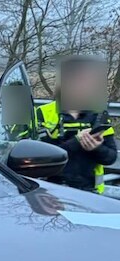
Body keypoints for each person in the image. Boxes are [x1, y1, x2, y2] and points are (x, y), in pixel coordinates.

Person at [33, 56, 117, 194]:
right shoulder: (43, 113)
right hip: (51, 192)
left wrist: (97, 148)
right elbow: (40, 159)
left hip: (90, 191)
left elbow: (111, 158)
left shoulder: (99, 115)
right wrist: (76, 141)